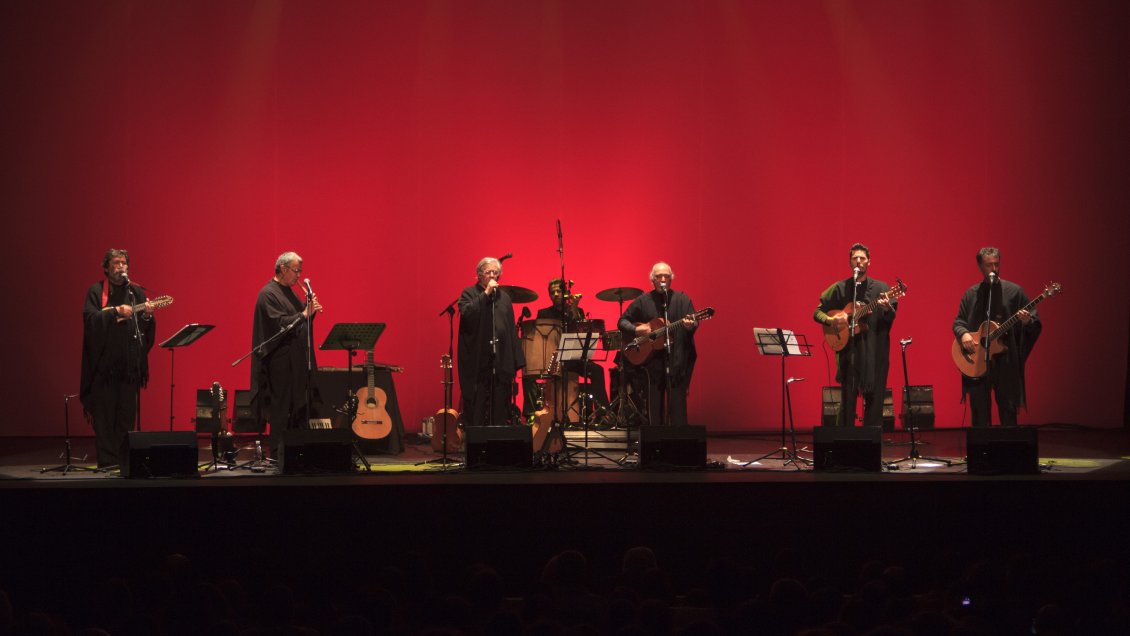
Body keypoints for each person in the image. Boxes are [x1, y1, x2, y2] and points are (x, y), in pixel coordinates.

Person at [80, 248, 157, 467]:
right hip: (103, 369)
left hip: (128, 368)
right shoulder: (96, 291)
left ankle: (125, 462)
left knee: (125, 416)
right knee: (104, 417)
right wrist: (115, 311)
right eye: (116, 263)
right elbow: (90, 320)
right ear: (106, 267)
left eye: (124, 263)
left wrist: (147, 315)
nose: (121, 266)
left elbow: (143, 331)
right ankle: (107, 462)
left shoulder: (136, 292)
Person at [952, 247, 1041, 426]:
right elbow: (958, 322)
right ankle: (982, 451)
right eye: (988, 265)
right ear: (979, 266)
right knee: (980, 413)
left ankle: (1007, 452)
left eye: (996, 264)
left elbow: (1035, 322)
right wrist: (964, 335)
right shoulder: (972, 294)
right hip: (978, 362)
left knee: (1008, 412)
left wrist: (1026, 321)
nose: (994, 269)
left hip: (1005, 363)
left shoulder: (1015, 292)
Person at [813, 243, 897, 427]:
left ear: (869, 262)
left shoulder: (882, 288)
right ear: (850, 262)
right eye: (855, 258)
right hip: (849, 356)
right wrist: (831, 320)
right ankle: (844, 446)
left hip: (875, 355)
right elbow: (817, 313)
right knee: (847, 404)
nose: (859, 261)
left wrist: (887, 307)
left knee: (874, 405)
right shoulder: (840, 288)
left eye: (863, 258)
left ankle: (870, 448)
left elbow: (891, 318)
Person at [250, 252, 323, 456]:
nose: (299, 276)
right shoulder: (268, 294)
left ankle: (297, 451)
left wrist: (310, 313)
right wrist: (304, 314)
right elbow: (281, 324)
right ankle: (277, 452)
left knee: (299, 405)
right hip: (279, 361)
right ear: (283, 269)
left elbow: (299, 324)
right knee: (281, 408)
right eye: (296, 270)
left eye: (300, 271)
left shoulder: (290, 292)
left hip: (296, 359)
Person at [617, 262, 698, 427]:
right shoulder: (643, 301)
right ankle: (656, 446)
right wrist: (637, 330)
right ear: (652, 280)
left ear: (671, 279)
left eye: (666, 276)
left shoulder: (683, 300)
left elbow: (693, 323)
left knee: (678, 410)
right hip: (652, 365)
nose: (662, 279)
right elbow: (622, 321)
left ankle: (678, 445)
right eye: (658, 276)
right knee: (655, 410)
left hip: (676, 361)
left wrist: (691, 325)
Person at [522, 279, 609, 420]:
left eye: (559, 291)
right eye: (552, 292)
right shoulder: (543, 313)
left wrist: (574, 309)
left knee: (597, 370)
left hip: (571, 358)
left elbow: (581, 331)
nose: (556, 294)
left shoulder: (576, 310)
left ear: (565, 293)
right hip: (551, 360)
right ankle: (533, 414)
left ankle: (603, 413)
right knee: (527, 371)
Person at [458, 257, 525, 427]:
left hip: (501, 359)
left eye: (496, 272)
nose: (493, 275)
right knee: (478, 406)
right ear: (479, 275)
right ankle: (476, 445)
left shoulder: (505, 298)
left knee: (500, 406)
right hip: (479, 360)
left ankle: (498, 445)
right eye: (488, 272)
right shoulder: (469, 293)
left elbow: (510, 328)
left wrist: (516, 359)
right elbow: (467, 314)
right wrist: (486, 293)